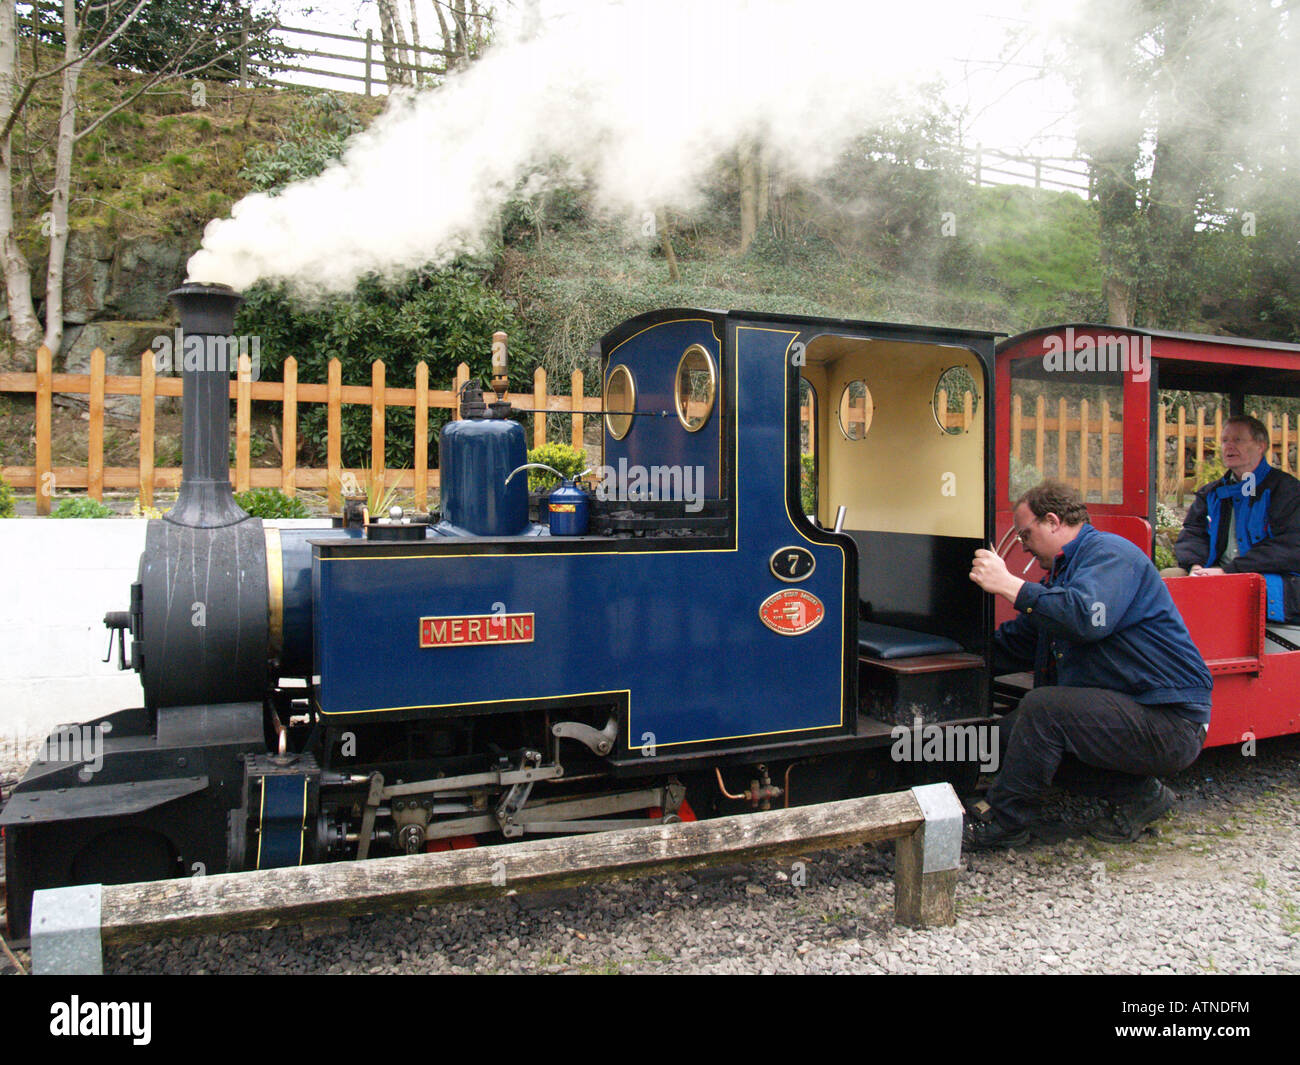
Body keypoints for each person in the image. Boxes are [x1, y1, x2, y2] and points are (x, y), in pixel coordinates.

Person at [965, 480, 1213, 850]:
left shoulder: (1111, 556)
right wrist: (958, 659)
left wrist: (1010, 586)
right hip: (1134, 711)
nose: (1023, 545)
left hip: (1171, 719)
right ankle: (1143, 797)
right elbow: (1019, 641)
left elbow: (1087, 618)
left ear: (1052, 521)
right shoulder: (1064, 574)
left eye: (1026, 534)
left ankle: (1005, 824)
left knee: (1043, 710)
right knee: (1008, 737)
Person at [1167, 415, 1300, 622]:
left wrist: (1228, 571)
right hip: (1215, 576)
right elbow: (1193, 533)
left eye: (1238, 440)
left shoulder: (1286, 490)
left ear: (1260, 446)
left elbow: (1290, 547)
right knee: (1165, 580)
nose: (1229, 446)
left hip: (1275, 580)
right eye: (1225, 440)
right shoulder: (1211, 493)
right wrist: (1196, 566)